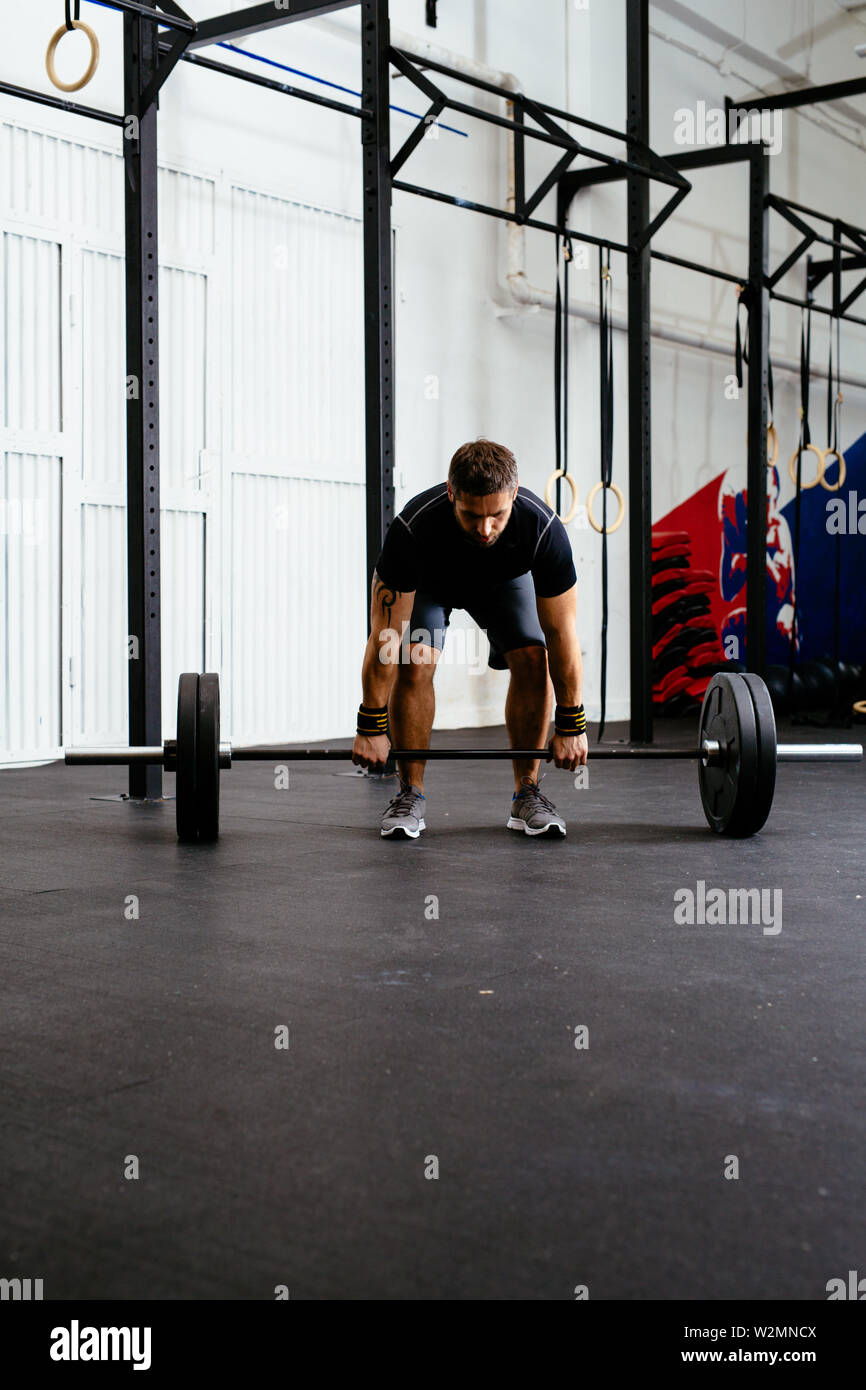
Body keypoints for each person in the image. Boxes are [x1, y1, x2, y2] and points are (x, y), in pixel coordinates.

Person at [351, 438, 588, 838]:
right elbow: (385, 637)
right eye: (470, 514)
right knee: (414, 656)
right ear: (451, 493)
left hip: (502, 586)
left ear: (513, 493)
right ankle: (411, 793)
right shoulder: (414, 528)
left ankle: (526, 792)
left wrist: (571, 721)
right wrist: (371, 724)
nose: (484, 528)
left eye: (497, 514)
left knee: (534, 657)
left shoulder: (542, 528)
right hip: (430, 586)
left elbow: (561, 634)